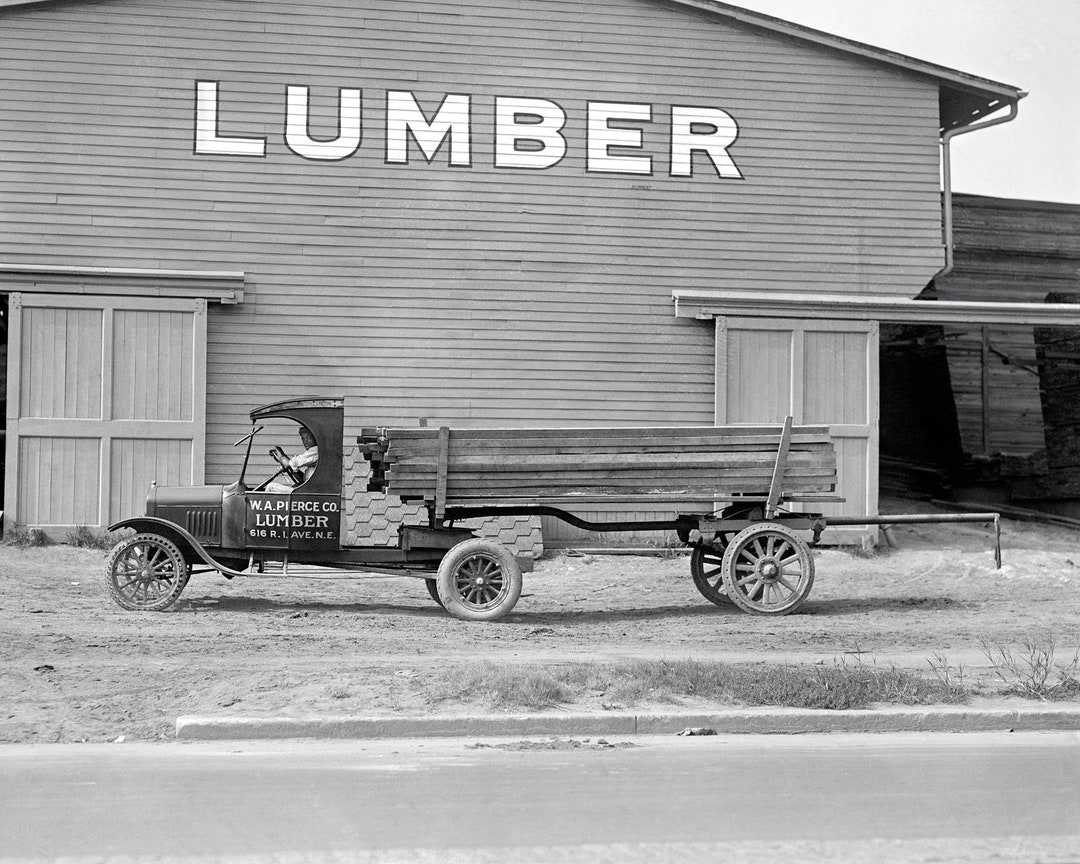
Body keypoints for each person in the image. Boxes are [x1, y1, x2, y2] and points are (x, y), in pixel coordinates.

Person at [265, 426, 318, 493]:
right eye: (303, 439)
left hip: (310, 493)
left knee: (271, 487)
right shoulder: (313, 456)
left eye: (308, 438)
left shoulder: (316, 451)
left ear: (315, 439)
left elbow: (289, 463)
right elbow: (302, 479)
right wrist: (289, 466)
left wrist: (279, 452)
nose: (305, 441)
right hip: (309, 491)